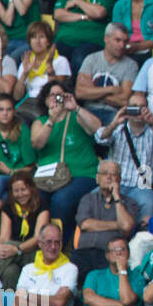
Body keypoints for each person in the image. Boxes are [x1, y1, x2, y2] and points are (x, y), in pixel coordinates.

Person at [29, 79, 101, 238]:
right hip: (48, 176)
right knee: (36, 197)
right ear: (45, 100)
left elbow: (97, 128)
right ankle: (38, 241)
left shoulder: (77, 117)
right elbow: (37, 143)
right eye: (51, 95)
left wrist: (76, 108)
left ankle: (56, 241)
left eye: (59, 95)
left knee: (62, 198)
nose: (55, 99)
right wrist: (51, 120)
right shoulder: (40, 122)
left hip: (81, 173)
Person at [52, 0, 117, 75]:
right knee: (52, 58)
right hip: (65, 39)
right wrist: (83, 16)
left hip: (92, 41)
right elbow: (58, 14)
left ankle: (76, 90)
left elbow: (99, 13)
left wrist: (78, 1)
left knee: (79, 57)